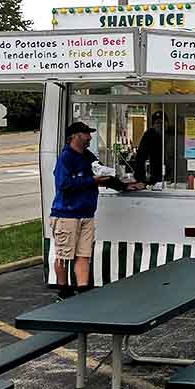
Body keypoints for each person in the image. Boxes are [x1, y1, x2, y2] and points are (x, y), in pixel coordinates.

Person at [50, 121, 141, 301]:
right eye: (86, 134)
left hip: (87, 214)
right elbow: (63, 184)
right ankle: (63, 290)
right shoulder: (65, 158)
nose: (90, 137)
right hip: (66, 214)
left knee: (84, 254)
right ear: (75, 136)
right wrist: (92, 181)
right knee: (63, 254)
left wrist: (123, 186)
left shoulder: (88, 156)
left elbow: (103, 175)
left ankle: (83, 292)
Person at [134, 111, 165, 187]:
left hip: (170, 175)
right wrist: (140, 178)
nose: (160, 125)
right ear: (153, 124)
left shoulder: (170, 135)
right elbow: (140, 157)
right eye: (157, 123)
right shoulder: (149, 135)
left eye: (162, 123)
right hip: (155, 174)